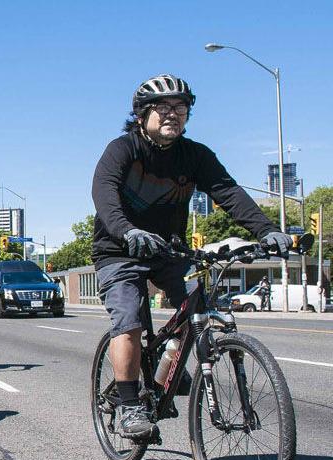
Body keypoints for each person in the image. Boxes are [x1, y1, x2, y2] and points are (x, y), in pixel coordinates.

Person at [91, 73, 291, 439]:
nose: (173, 114)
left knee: (198, 306)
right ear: (141, 115)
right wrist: (128, 231)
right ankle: (129, 405)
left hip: (169, 250)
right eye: (162, 107)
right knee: (130, 319)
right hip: (119, 250)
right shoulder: (123, 149)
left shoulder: (195, 155)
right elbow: (104, 194)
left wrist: (267, 231)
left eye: (180, 107)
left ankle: (169, 362)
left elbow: (228, 193)